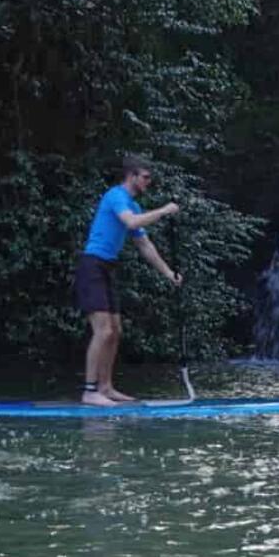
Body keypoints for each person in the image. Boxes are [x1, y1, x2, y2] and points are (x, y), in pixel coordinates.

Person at [76, 155, 182, 405]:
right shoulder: (116, 196)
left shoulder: (133, 205)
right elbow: (131, 222)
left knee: (116, 332)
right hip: (92, 265)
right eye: (145, 177)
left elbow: (144, 245)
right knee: (103, 331)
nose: (148, 182)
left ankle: (105, 387)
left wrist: (169, 273)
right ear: (131, 175)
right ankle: (89, 391)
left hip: (108, 267)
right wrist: (165, 210)